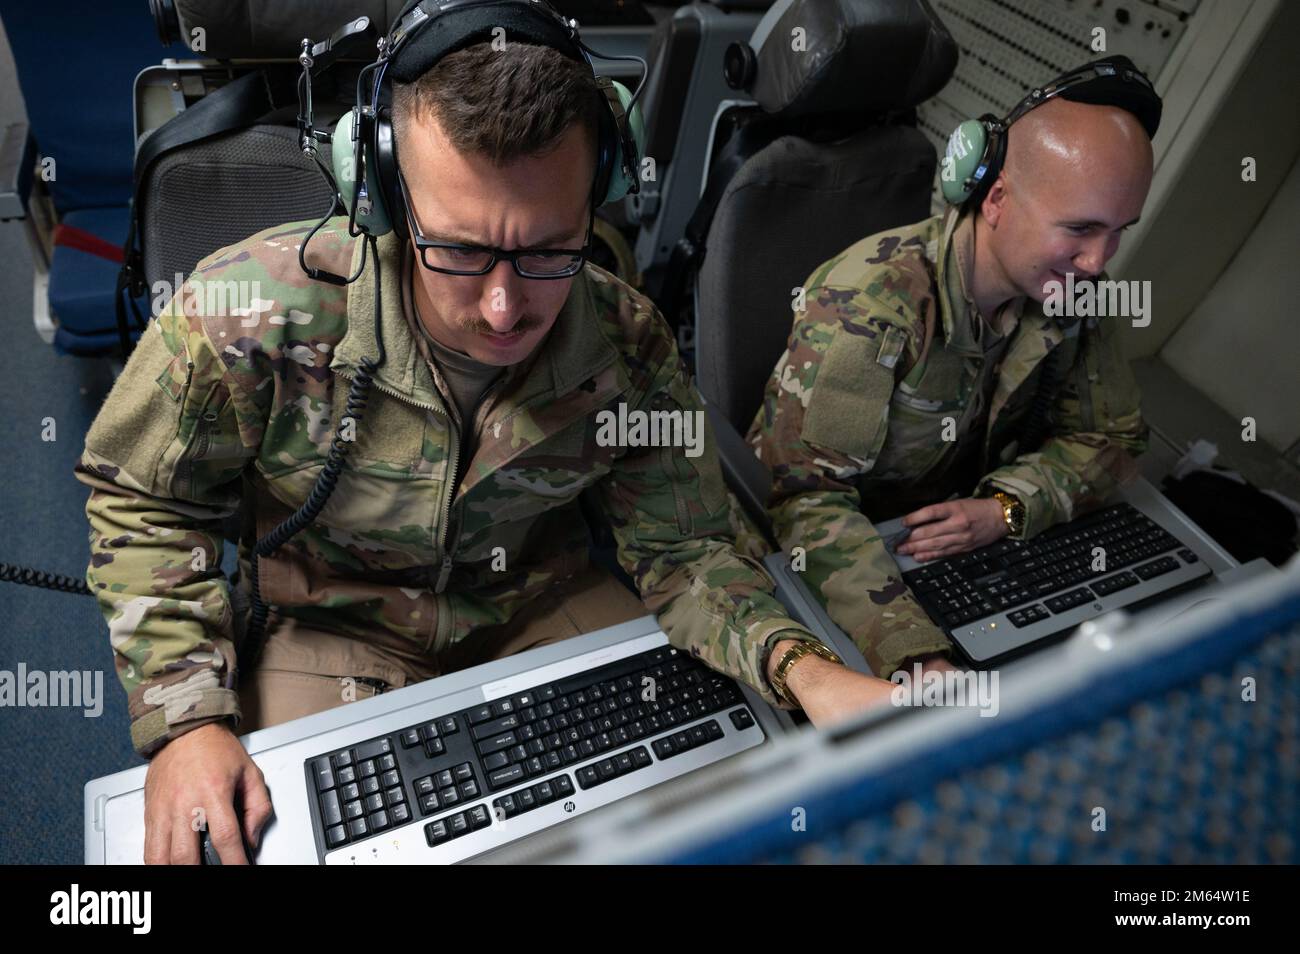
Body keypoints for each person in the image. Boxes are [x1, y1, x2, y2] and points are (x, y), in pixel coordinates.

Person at [74, 9, 899, 866]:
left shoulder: (627, 338)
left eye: (550, 250)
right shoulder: (248, 312)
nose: (505, 310)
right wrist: (187, 719)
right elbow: (141, 504)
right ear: (385, 193)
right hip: (332, 621)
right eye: (460, 251)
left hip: (536, 606)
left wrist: (807, 670)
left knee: (749, 817)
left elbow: (684, 548)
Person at [746, 56, 1161, 679]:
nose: (1099, 261)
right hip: (843, 558)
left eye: (1118, 231)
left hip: (961, 542)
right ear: (995, 198)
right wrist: (913, 651)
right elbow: (807, 498)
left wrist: (1008, 507)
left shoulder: (1075, 291)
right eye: (1079, 228)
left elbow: (1115, 437)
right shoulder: (871, 307)